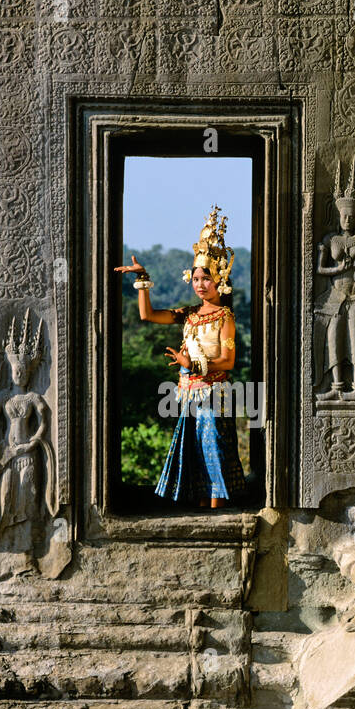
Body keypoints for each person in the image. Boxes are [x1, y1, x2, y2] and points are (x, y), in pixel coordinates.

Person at [114, 206, 246, 508]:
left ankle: (218, 520)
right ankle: (202, 519)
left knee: (215, 455)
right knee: (195, 456)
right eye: (197, 278)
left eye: (206, 278)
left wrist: (193, 365)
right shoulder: (187, 314)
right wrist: (144, 280)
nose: (200, 284)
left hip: (214, 395)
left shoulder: (224, 316)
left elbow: (227, 362)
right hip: (189, 395)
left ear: (220, 279)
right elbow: (147, 315)